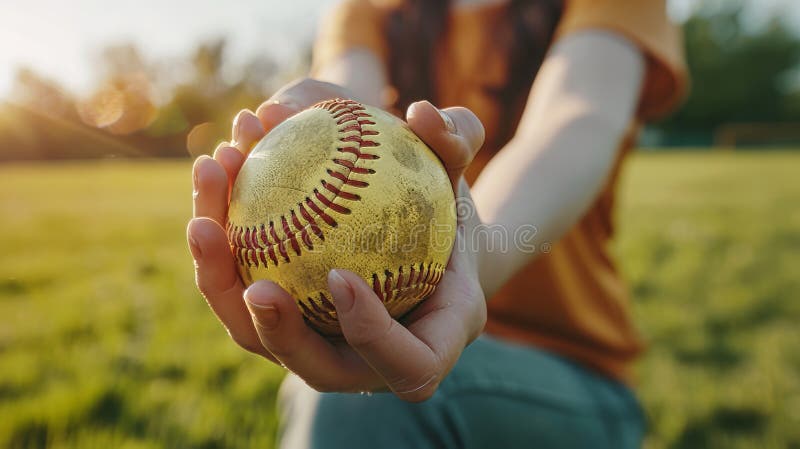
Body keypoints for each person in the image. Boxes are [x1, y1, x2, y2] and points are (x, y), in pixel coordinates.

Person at [187, 0, 688, 447]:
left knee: (367, 402)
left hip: (574, 374)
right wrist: (301, 111)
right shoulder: (371, 11)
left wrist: (471, 252)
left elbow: (574, 121)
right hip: (400, 326)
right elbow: (341, 100)